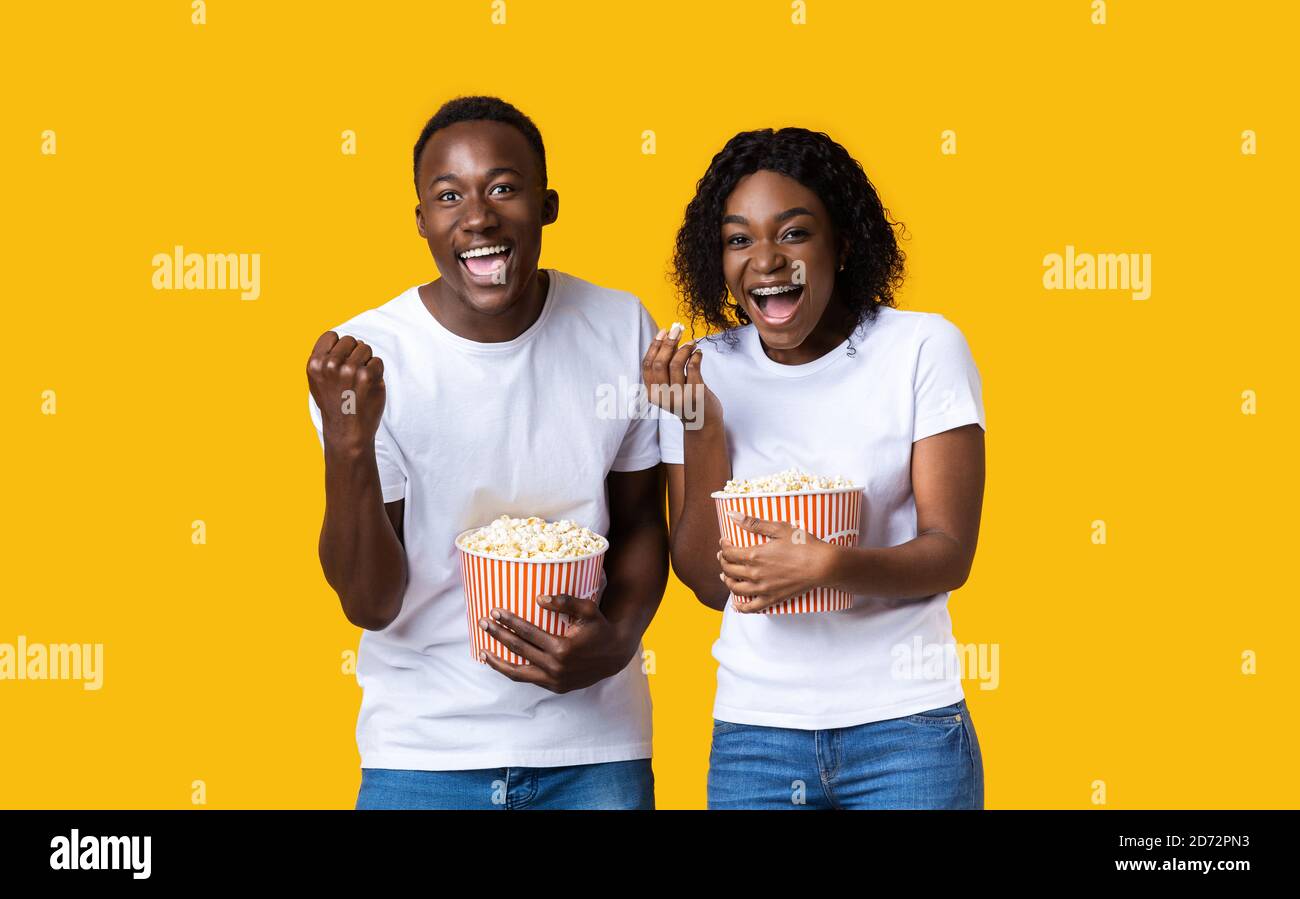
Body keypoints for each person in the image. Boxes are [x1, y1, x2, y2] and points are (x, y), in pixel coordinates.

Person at [306, 96, 667, 809]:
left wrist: (619, 638)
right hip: (423, 751)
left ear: (547, 204)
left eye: (503, 187)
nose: (477, 216)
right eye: (449, 196)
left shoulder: (620, 326)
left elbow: (641, 522)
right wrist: (350, 442)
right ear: (421, 221)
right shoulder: (369, 358)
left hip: (595, 751)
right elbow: (369, 601)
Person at [646, 127, 987, 809]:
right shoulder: (700, 372)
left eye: (794, 233)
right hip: (757, 736)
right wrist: (701, 425)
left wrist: (831, 564)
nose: (765, 261)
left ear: (844, 242)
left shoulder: (922, 348)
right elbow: (708, 583)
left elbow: (950, 553)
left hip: (907, 729)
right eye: (739, 239)